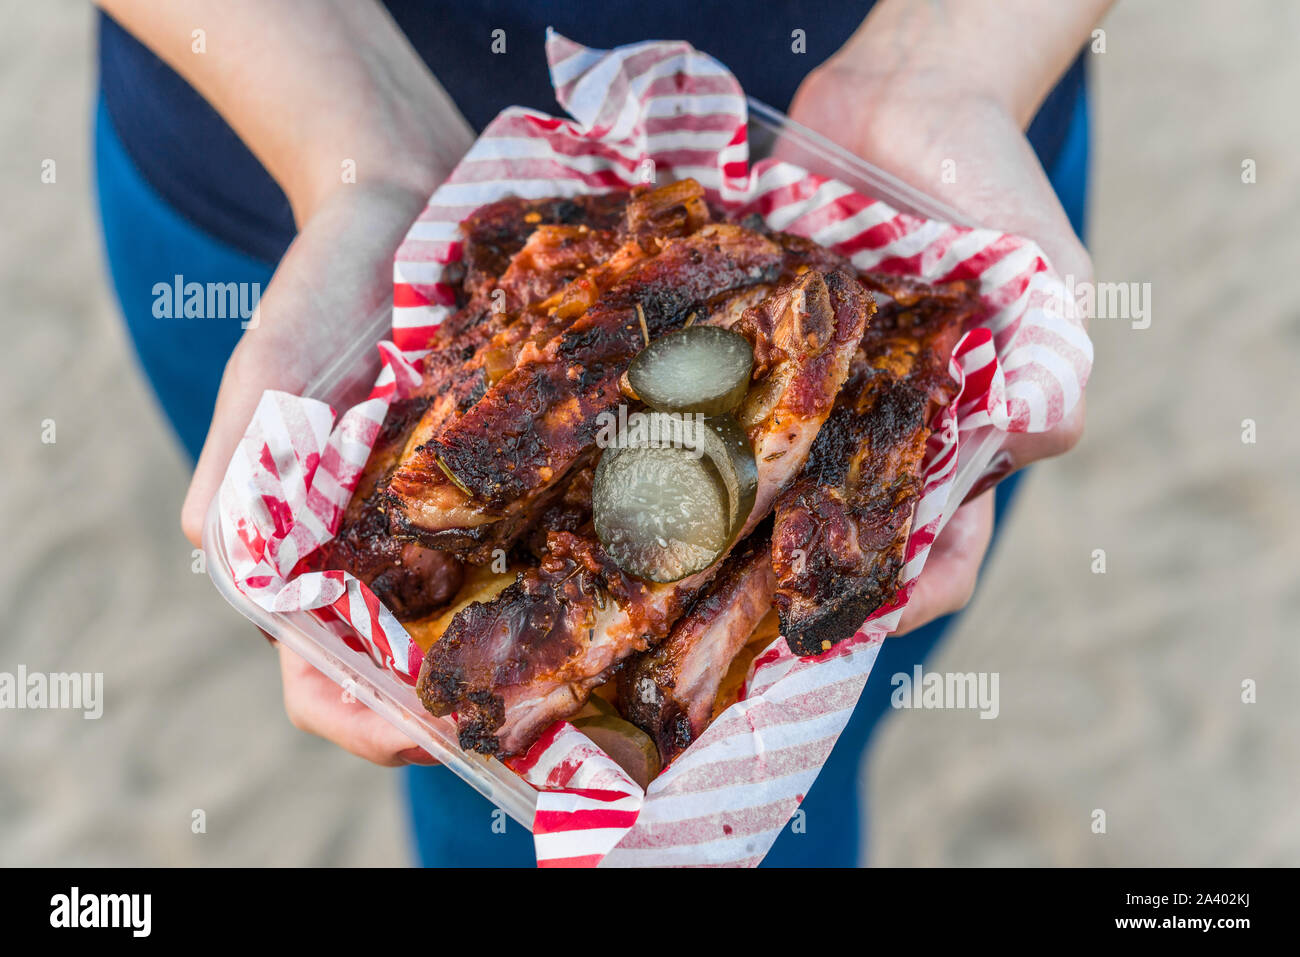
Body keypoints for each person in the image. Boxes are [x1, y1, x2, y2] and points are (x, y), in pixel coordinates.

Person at [95, 0, 1103, 866]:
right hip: (261, 146)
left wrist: (953, 63)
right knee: (484, 792)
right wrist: (354, 145)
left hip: (942, 139)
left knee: (802, 741)